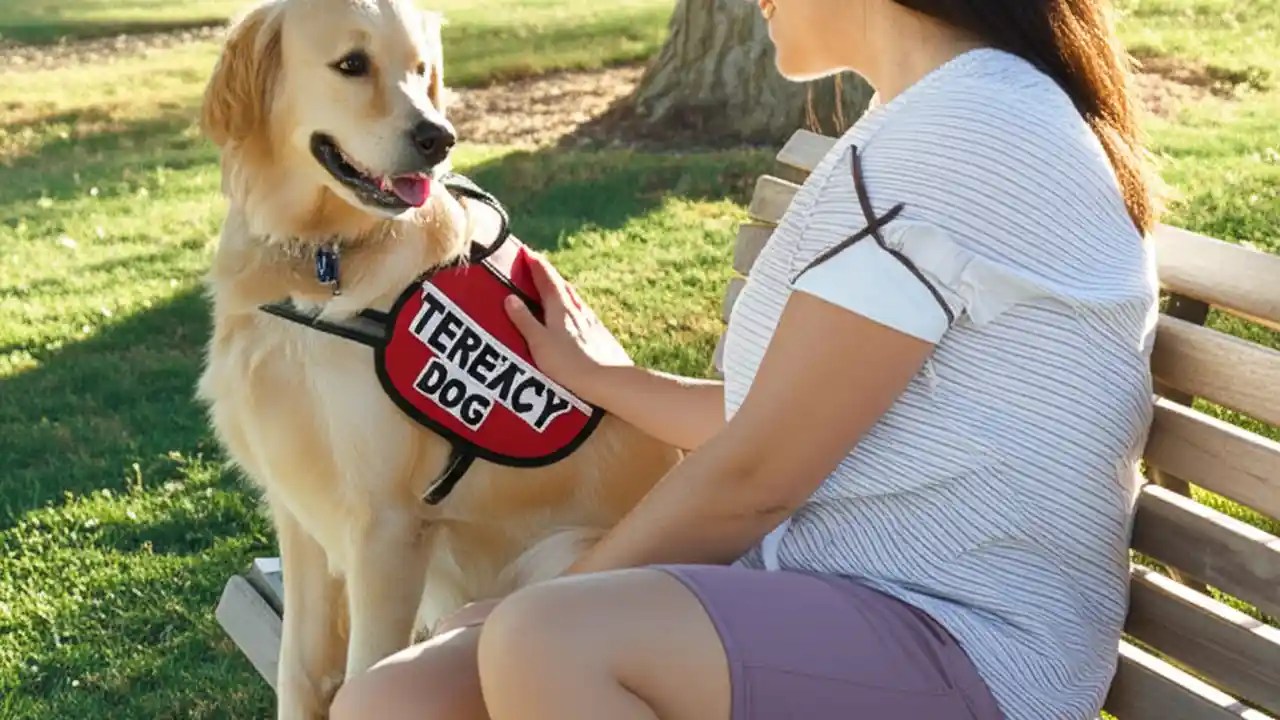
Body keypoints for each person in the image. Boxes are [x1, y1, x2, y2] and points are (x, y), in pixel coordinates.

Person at [330, 0, 1160, 717]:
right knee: (394, 702)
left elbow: (760, 473)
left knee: (548, 640)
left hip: (969, 647)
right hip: (832, 595)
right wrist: (601, 379)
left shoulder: (970, 129)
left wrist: (559, 589)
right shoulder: (921, 117)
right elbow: (777, 413)